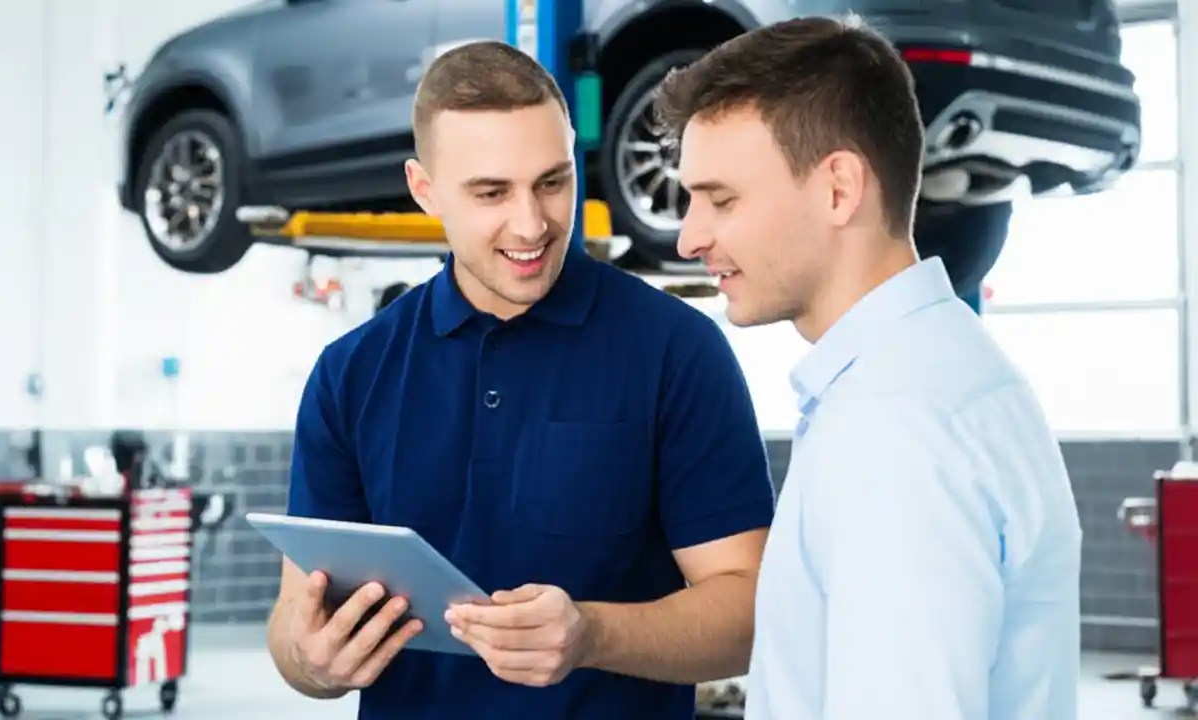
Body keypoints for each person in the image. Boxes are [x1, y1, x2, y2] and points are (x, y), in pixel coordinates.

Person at [264, 40, 776, 719]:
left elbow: (751, 611)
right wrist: (312, 662)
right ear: (425, 190)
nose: (532, 224)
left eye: (552, 182)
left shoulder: (676, 351)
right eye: (491, 192)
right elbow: (293, 622)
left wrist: (592, 635)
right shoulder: (351, 373)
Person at [655, 14, 1083, 720]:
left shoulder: (891, 428)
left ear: (838, 189)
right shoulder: (949, 374)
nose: (690, 235)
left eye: (720, 199)